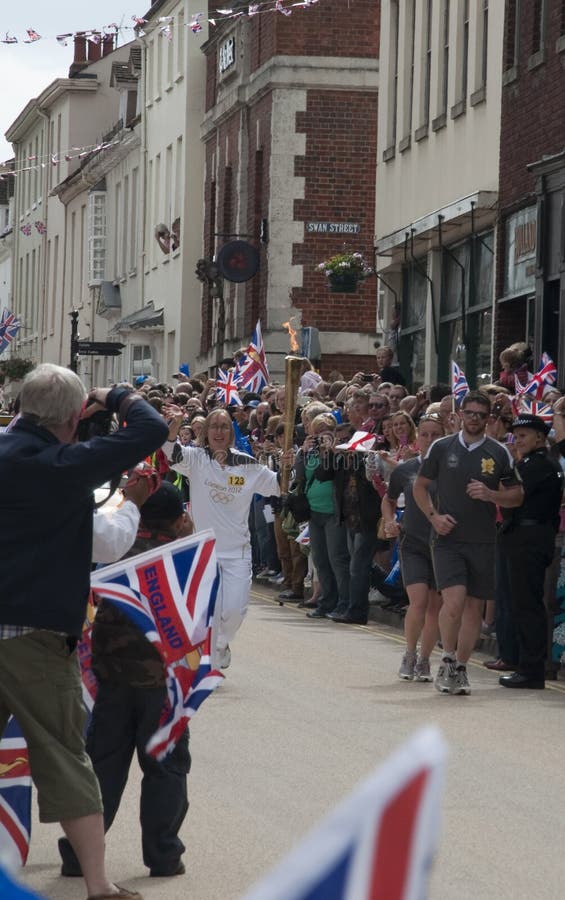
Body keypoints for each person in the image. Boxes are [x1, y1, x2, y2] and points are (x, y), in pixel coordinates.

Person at [0, 363, 169, 900]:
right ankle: (97, 884)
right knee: (63, 752)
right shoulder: (64, 466)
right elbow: (151, 430)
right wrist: (112, 394)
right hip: (35, 632)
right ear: (75, 417)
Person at [59, 483, 193, 878]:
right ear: (176, 518)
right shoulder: (185, 556)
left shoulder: (114, 550)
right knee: (165, 768)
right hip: (163, 683)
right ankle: (163, 855)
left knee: (103, 765)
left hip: (113, 677)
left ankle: (77, 855)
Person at [412, 391, 523, 695]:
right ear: (460, 414)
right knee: (455, 601)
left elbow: (517, 495)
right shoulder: (441, 447)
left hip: (483, 540)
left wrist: (492, 495)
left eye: (480, 415)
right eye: (469, 413)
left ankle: (460, 667)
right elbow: (420, 488)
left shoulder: (498, 453)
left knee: (474, 607)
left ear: (488, 419)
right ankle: (447, 657)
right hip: (447, 538)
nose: (474, 419)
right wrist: (434, 517)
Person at [162, 407, 287, 668]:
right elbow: (168, 451)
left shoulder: (247, 464)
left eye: (225, 426)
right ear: (206, 431)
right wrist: (174, 425)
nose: (219, 431)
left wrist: (288, 465)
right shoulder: (195, 459)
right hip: (204, 551)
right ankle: (210, 659)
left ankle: (219, 644)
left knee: (232, 612)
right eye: (214, 426)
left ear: (232, 432)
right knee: (208, 611)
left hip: (237, 552)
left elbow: (279, 486)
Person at [496, 414, 563, 689]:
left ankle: (531, 669)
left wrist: (490, 495)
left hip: (531, 536)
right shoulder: (530, 462)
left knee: (528, 604)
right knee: (522, 602)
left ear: (539, 437)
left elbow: (516, 496)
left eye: (523, 435)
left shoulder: (539, 463)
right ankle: (528, 665)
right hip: (525, 534)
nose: (518, 440)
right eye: (516, 435)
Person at [380, 415, 445, 681]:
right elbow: (389, 499)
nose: (429, 440)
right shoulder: (405, 469)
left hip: (443, 545)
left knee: (434, 607)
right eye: (425, 434)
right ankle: (409, 653)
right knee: (418, 602)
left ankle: (425, 660)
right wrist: (389, 519)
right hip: (413, 542)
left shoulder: (452, 469)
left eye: (435, 435)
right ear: (417, 437)